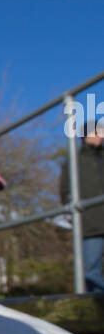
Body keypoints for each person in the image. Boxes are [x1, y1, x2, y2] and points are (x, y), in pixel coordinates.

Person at [61, 120, 104, 293]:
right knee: (91, 271)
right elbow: (65, 190)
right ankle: (97, 309)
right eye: (98, 132)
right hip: (90, 223)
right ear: (86, 135)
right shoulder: (74, 161)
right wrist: (71, 211)